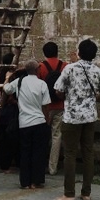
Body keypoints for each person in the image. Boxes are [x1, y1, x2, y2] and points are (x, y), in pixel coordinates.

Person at [54, 39, 100, 200]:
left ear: (79, 52)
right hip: (90, 116)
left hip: (72, 117)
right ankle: (86, 192)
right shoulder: (99, 72)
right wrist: (91, 98)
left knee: (70, 154)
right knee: (88, 153)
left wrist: (70, 96)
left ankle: (69, 193)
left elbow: (58, 90)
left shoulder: (69, 69)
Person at [4, 60, 51, 189]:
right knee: (38, 152)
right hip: (39, 120)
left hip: (24, 122)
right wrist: (47, 120)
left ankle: (25, 182)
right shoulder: (42, 84)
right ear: (37, 70)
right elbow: (45, 105)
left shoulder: (19, 82)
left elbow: (7, 89)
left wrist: (7, 78)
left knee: (25, 152)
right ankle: (36, 180)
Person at [37, 42, 68, 175]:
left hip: (45, 106)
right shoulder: (65, 66)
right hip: (60, 105)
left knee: (42, 135)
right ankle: (53, 167)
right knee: (57, 136)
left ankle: (39, 164)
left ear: (44, 53)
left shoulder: (41, 67)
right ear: (57, 51)